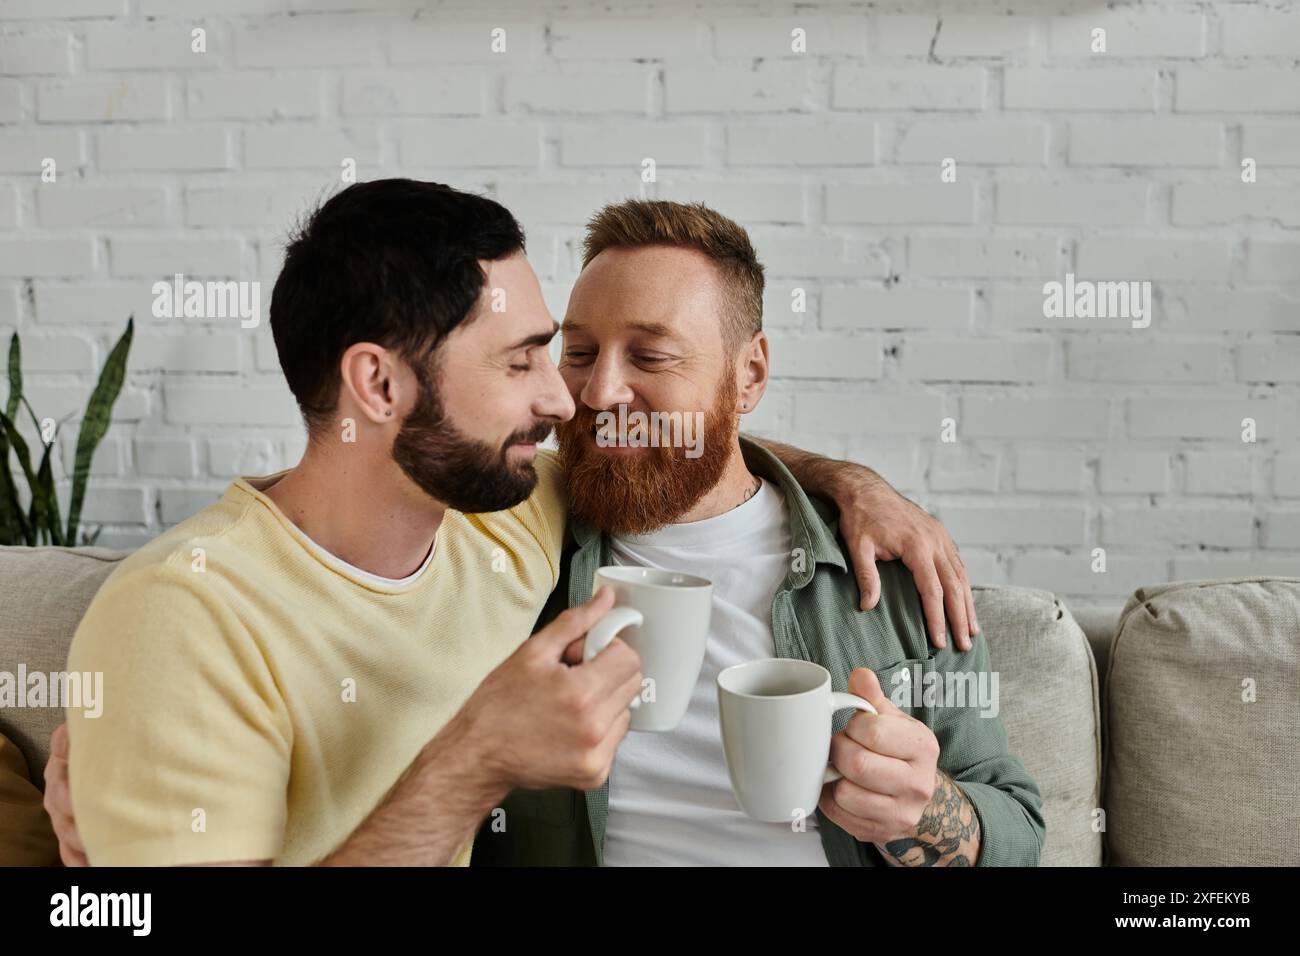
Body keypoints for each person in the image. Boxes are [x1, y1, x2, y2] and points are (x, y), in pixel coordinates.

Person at [42, 181, 974, 866]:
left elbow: (673, 438)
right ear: (379, 384)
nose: (569, 402)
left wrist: (850, 482)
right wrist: (476, 759)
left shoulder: (504, 518)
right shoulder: (179, 617)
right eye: (532, 360)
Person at [471, 200, 1043, 866]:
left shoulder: (888, 567)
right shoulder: (514, 535)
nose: (599, 392)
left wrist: (927, 810)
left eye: (651, 357)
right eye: (579, 352)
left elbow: (1019, 835)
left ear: (750, 376)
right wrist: (843, 473)